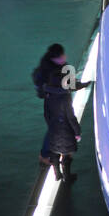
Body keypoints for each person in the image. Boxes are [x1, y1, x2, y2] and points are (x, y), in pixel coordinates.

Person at [33, 43, 87, 180]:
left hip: (51, 102)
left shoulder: (52, 67)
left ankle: (53, 167)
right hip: (56, 103)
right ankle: (61, 169)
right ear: (55, 58)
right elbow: (71, 116)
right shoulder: (53, 72)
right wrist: (77, 133)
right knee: (62, 140)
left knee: (53, 131)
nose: (64, 57)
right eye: (61, 56)